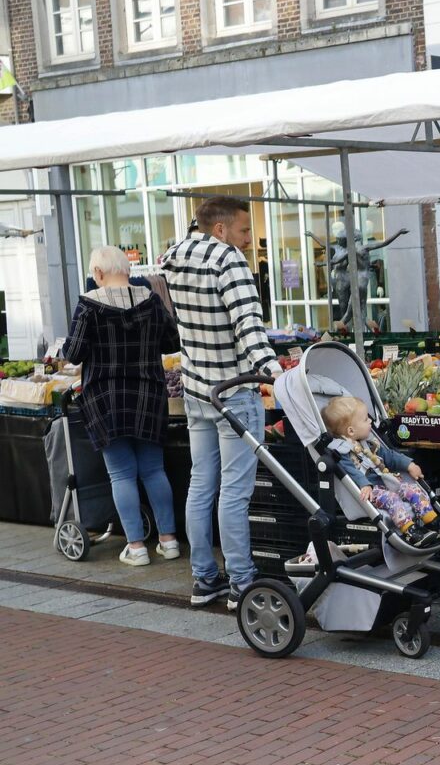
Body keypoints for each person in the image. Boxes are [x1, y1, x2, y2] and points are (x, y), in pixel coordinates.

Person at [161, 197, 283, 608]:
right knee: (234, 492)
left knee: (200, 485)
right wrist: (275, 374)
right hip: (234, 392)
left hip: (197, 391)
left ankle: (203, 578)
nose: (250, 239)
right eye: (245, 230)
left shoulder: (174, 255)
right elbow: (248, 324)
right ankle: (241, 582)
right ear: (221, 229)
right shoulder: (229, 261)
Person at [61, 246, 182, 567]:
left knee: (121, 474)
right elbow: (173, 342)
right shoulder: (151, 301)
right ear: (126, 270)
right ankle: (169, 541)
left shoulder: (88, 306)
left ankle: (136, 547)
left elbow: (72, 353)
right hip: (149, 395)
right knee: (154, 470)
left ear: (98, 273)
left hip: (106, 399)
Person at [322, 396, 440, 545]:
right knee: (392, 499)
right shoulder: (342, 451)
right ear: (351, 430)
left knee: (412, 489)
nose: (370, 422)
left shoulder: (368, 444)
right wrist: (364, 484)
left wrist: (409, 465)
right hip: (370, 492)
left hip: (387, 482)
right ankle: (410, 531)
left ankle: (432, 521)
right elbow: (350, 472)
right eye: (365, 419)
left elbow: (389, 456)